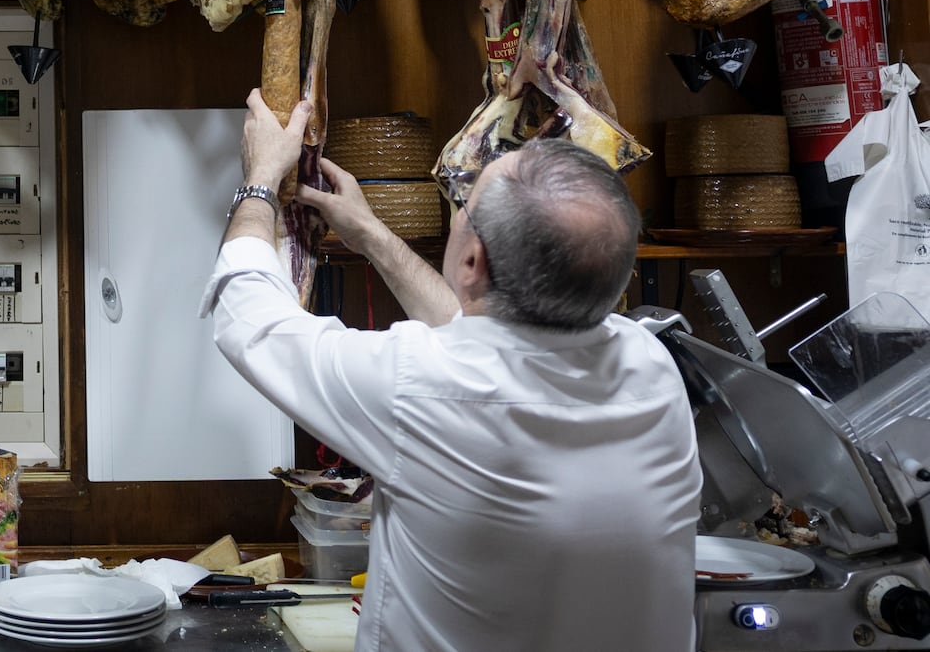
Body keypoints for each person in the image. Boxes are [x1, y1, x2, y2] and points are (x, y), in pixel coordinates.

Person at [203, 93, 701, 652]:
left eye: (463, 204)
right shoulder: (653, 366)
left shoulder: (418, 386)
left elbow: (249, 319)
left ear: (472, 262)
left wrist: (261, 178)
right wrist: (371, 235)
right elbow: (484, 338)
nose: (458, 209)